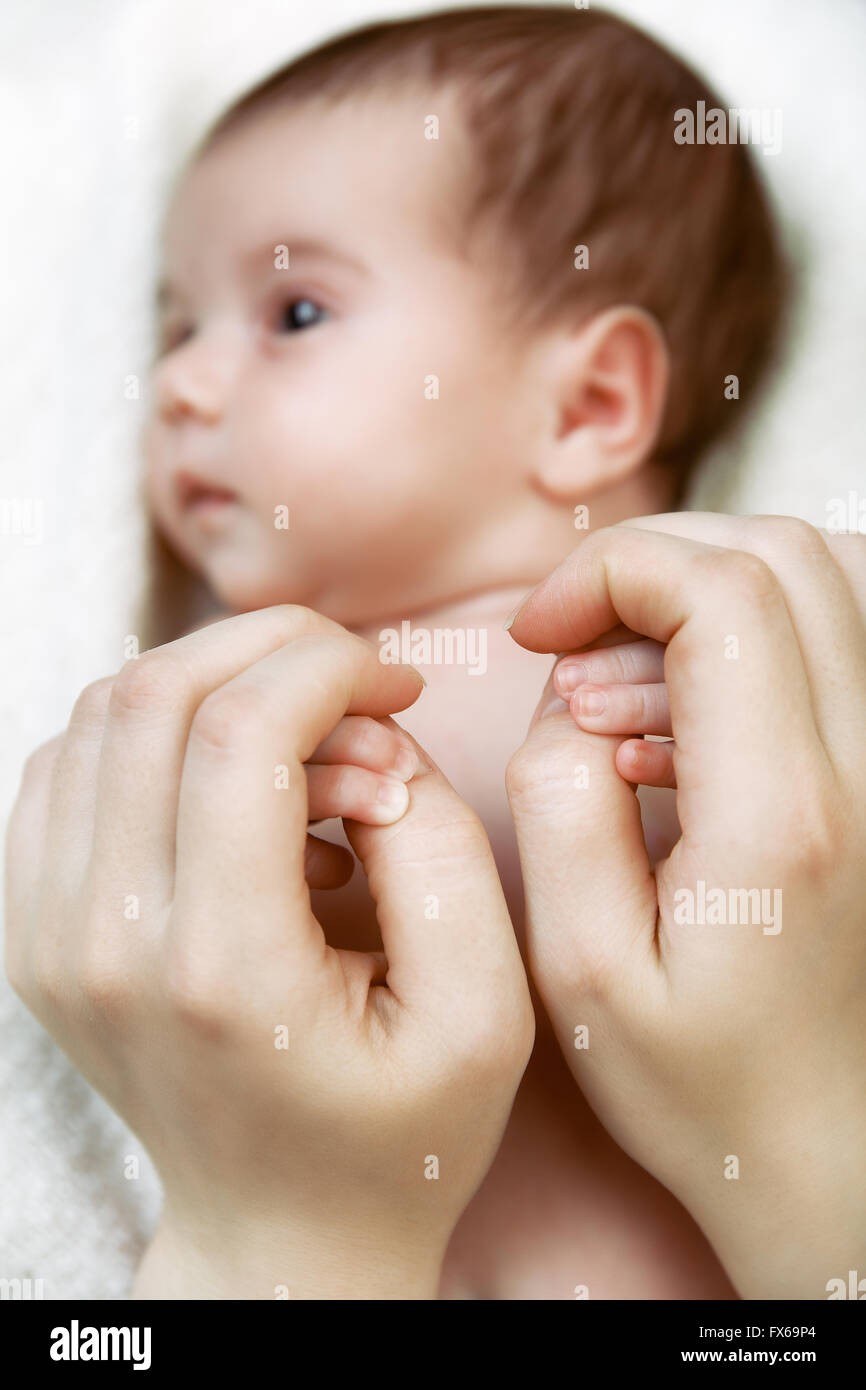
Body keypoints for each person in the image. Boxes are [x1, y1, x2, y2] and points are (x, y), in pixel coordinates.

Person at [10, 7, 860, 1300]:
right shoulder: (255, 689)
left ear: (586, 406)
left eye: (291, 309)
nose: (180, 382)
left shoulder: (748, 634)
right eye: (177, 327)